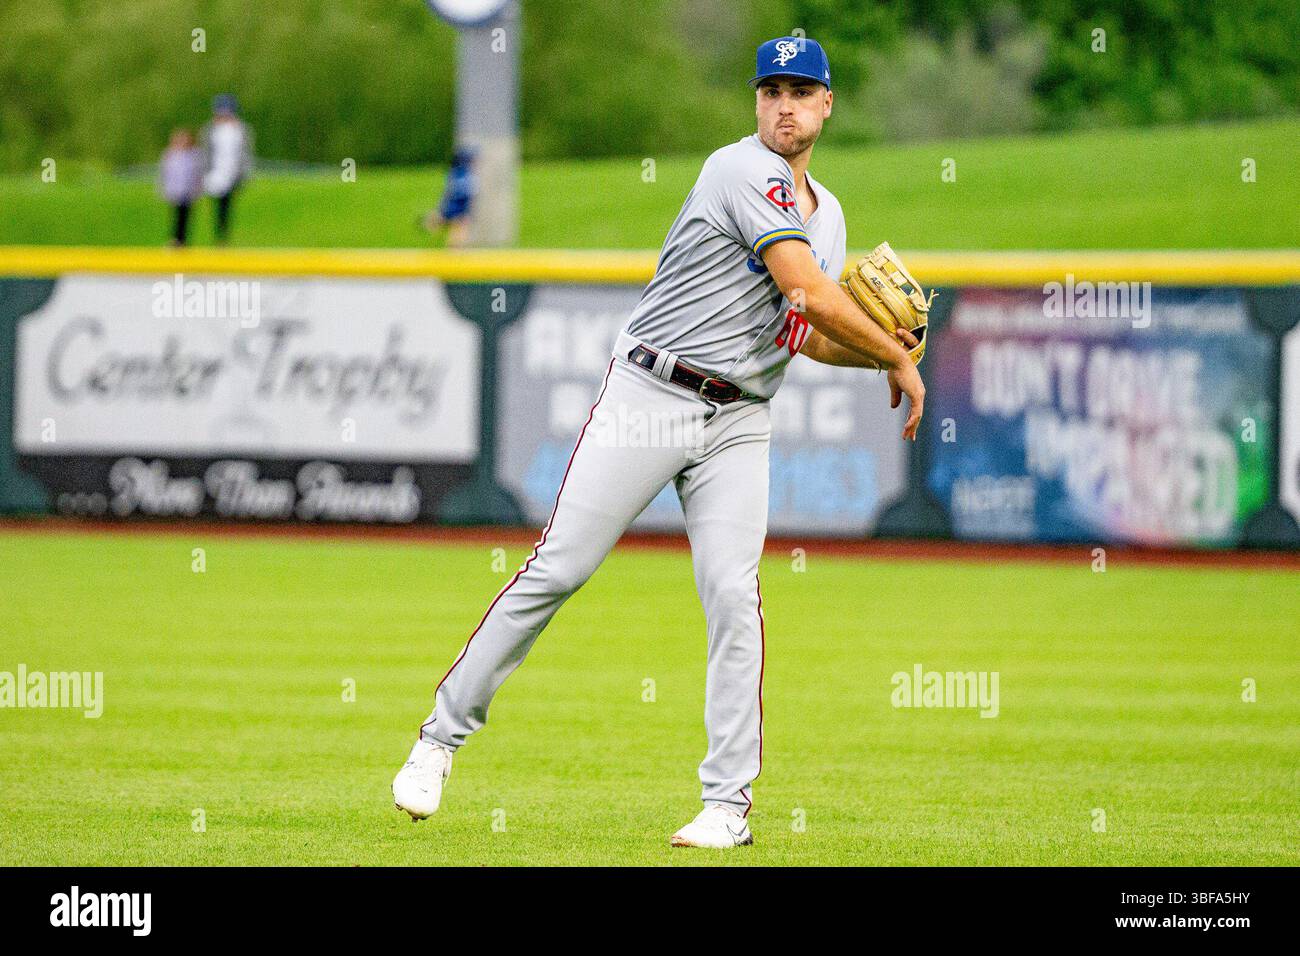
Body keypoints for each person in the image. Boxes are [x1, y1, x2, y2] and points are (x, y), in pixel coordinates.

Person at [392, 37, 925, 849]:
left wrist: (886, 359)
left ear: (827, 106)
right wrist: (893, 352)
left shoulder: (833, 213)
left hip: (740, 417)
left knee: (733, 597)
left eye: (801, 90)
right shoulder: (737, 170)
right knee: (560, 565)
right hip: (652, 391)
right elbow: (808, 290)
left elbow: (804, 331)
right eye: (771, 88)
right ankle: (438, 739)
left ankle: (726, 807)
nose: (785, 104)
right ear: (756, 102)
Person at [200, 94, 254, 244]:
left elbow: (245, 153)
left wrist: (244, 174)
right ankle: (219, 237)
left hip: (233, 173)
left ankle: (223, 238)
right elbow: (206, 152)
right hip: (215, 172)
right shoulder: (210, 129)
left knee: (226, 205)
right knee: (217, 205)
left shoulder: (240, 130)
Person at [421, 147, 476, 247]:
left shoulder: (456, 172)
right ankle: (454, 253)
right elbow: (463, 192)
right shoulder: (462, 173)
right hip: (458, 206)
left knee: (455, 227)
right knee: (459, 229)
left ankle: (430, 221)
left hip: (456, 205)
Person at [157, 129, 203, 247]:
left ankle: (182, 240)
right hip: (174, 190)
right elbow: (164, 173)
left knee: (185, 216)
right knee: (175, 215)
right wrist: (163, 188)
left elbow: (197, 174)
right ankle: (174, 239)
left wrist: (198, 189)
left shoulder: (194, 155)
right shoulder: (170, 154)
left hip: (188, 190)